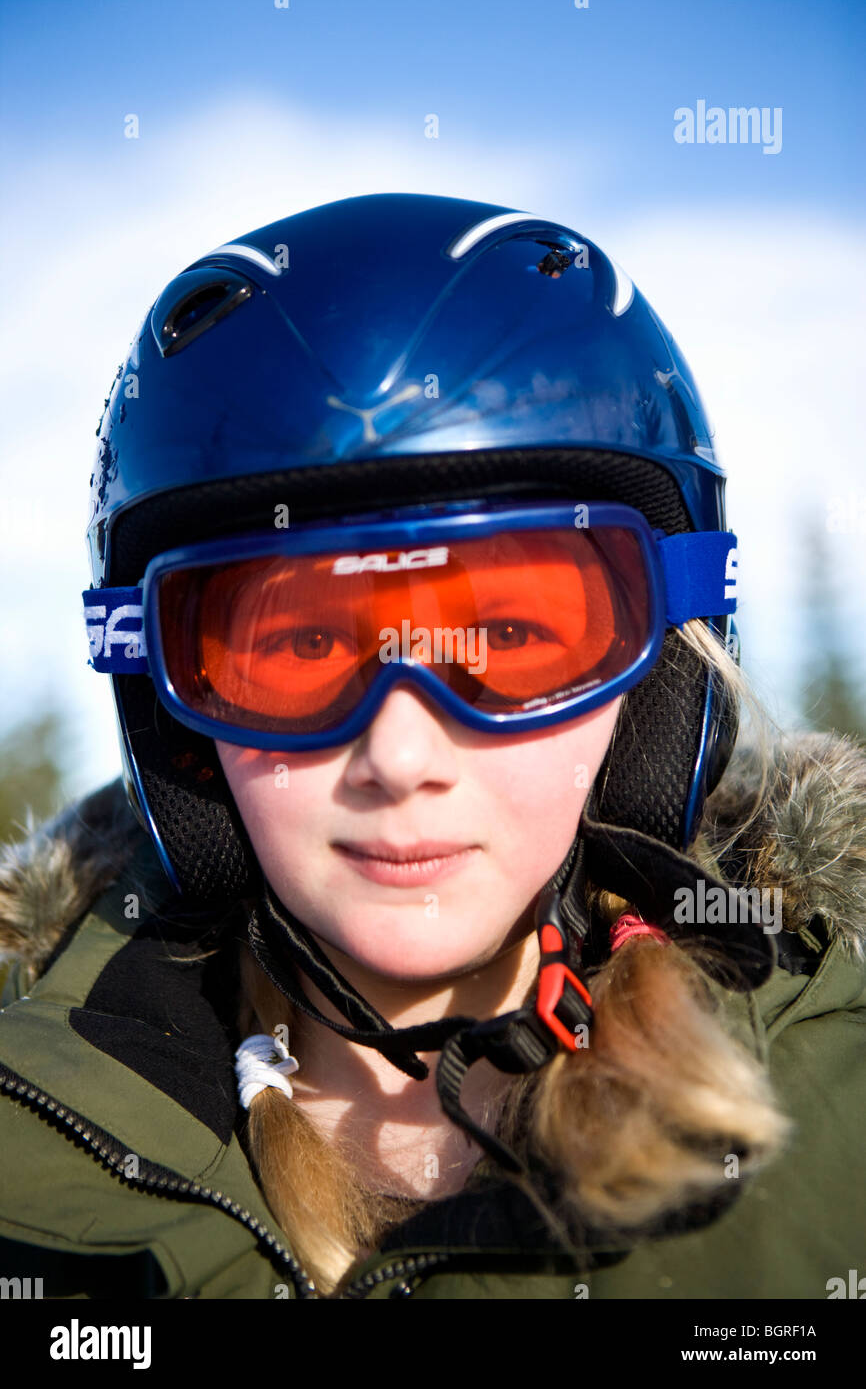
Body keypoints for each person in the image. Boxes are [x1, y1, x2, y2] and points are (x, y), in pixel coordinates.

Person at [0, 193, 864, 1302]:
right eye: (304, 646)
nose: (400, 758)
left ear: (652, 680)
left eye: (506, 638)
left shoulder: (834, 1119)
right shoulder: (29, 1161)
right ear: (172, 709)